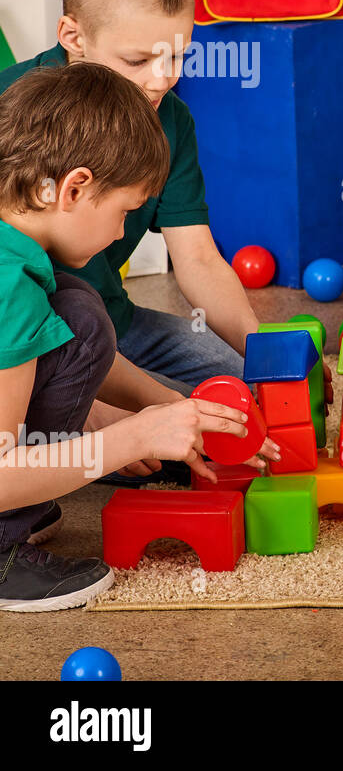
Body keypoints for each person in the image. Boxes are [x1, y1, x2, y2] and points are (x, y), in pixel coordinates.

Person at [0, 64, 273, 612]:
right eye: (123, 212)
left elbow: (73, 343)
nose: (123, 233)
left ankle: (23, 512)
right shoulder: (8, 284)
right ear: (74, 188)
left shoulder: (20, 255)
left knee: (79, 311)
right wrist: (129, 441)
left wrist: (169, 406)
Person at [0, 0, 260, 398]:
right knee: (182, 419)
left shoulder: (171, 120)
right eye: (138, 61)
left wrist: (264, 352)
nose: (161, 80)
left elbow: (199, 257)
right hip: (27, 338)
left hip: (118, 323)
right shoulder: (13, 105)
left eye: (177, 56)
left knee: (243, 381)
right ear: (73, 36)